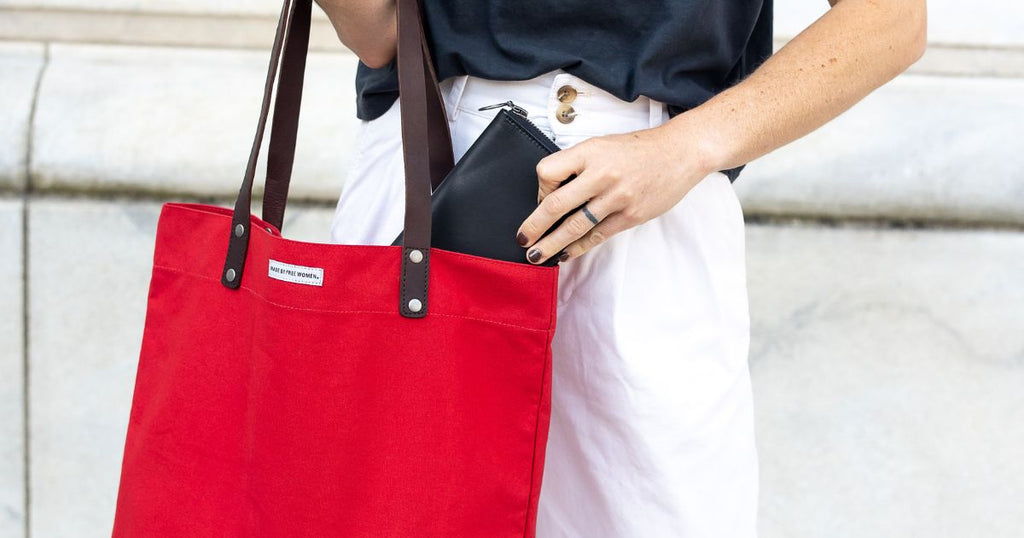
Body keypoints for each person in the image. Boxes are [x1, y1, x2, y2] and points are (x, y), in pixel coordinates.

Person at [316, 1, 927, 536]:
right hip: (433, 172)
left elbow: (892, 19)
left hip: (659, 190)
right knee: (386, 506)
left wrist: (688, 147)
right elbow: (379, 33)